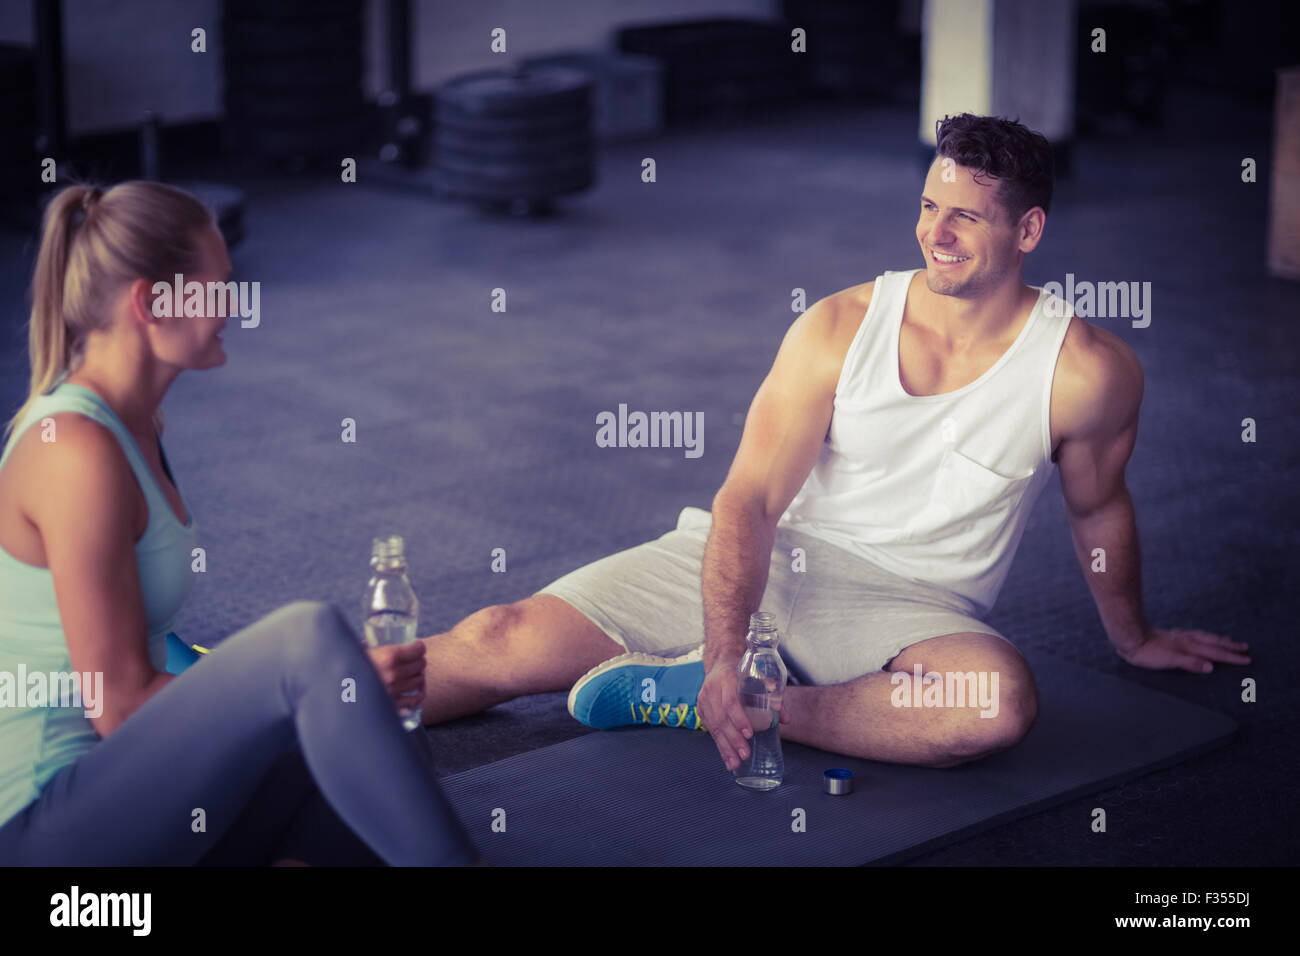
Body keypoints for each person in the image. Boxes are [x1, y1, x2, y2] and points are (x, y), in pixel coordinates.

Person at [410, 112, 1251, 771]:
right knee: (497, 637)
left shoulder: (1087, 371)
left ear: (1028, 232)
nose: (936, 234)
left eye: (965, 217)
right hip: (769, 556)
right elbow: (751, 498)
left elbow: (1099, 509)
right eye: (928, 206)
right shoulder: (839, 325)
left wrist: (1134, 637)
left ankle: (752, 701)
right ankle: (321, 699)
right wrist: (729, 643)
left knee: (992, 709)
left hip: (908, 613)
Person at [0, 181, 479, 865]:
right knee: (305, 640)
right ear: (151, 302)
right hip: (45, 832)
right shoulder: (74, 451)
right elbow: (122, 707)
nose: (236, 304)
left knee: (382, 736)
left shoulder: (138, 425)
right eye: (218, 286)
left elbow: (157, 651)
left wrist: (336, 691)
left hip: (131, 798)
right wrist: (301, 681)